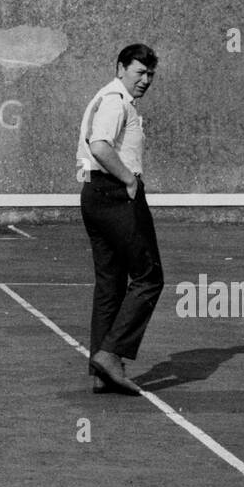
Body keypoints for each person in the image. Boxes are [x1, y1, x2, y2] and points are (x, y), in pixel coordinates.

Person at [75, 44, 165, 394]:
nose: (145, 80)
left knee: (110, 283)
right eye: (139, 72)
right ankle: (111, 354)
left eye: (150, 74)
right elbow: (100, 146)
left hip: (95, 194)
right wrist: (129, 179)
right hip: (115, 193)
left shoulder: (108, 98)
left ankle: (102, 370)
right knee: (149, 277)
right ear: (120, 68)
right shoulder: (115, 101)